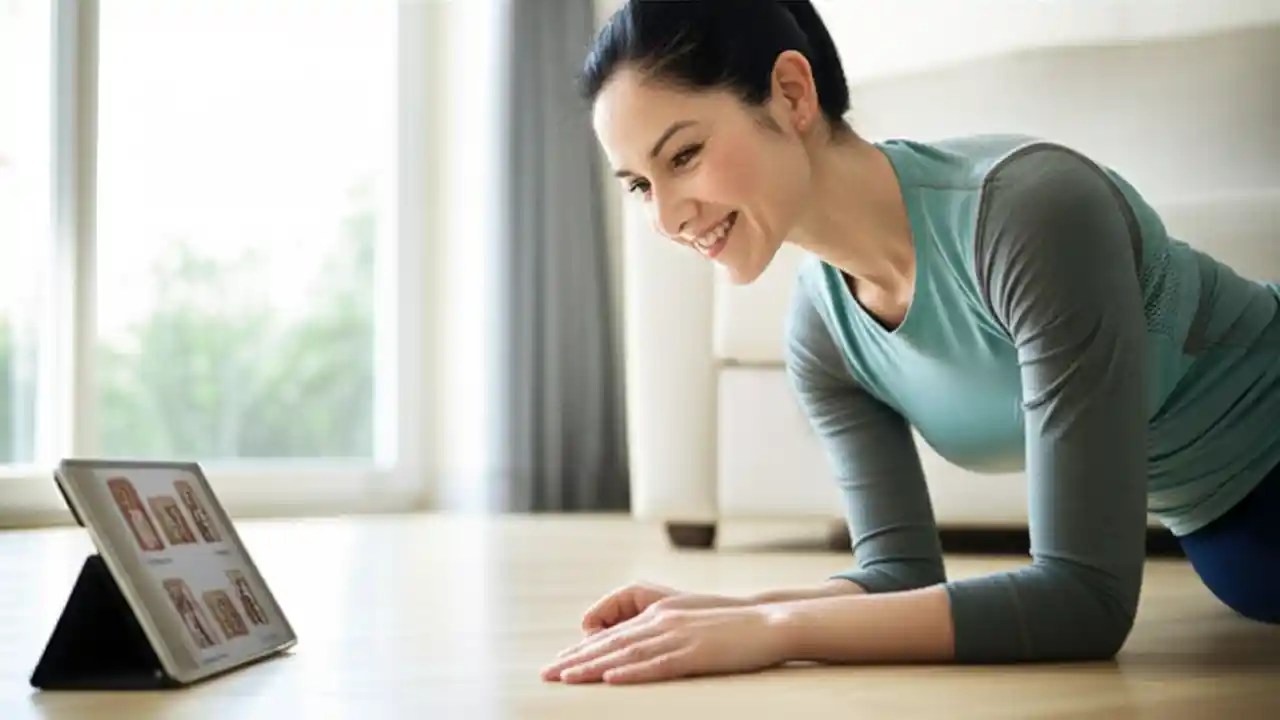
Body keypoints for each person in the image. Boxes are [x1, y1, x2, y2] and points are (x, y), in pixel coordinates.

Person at [541, 0, 1280, 686]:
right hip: (1235, 543)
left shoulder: (1029, 216)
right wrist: (726, 612)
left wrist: (774, 628)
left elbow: (1085, 599)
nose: (667, 217)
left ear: (792, 95)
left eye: (683, 156)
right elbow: (899, 575)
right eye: (639, 185)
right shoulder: (823, 325)